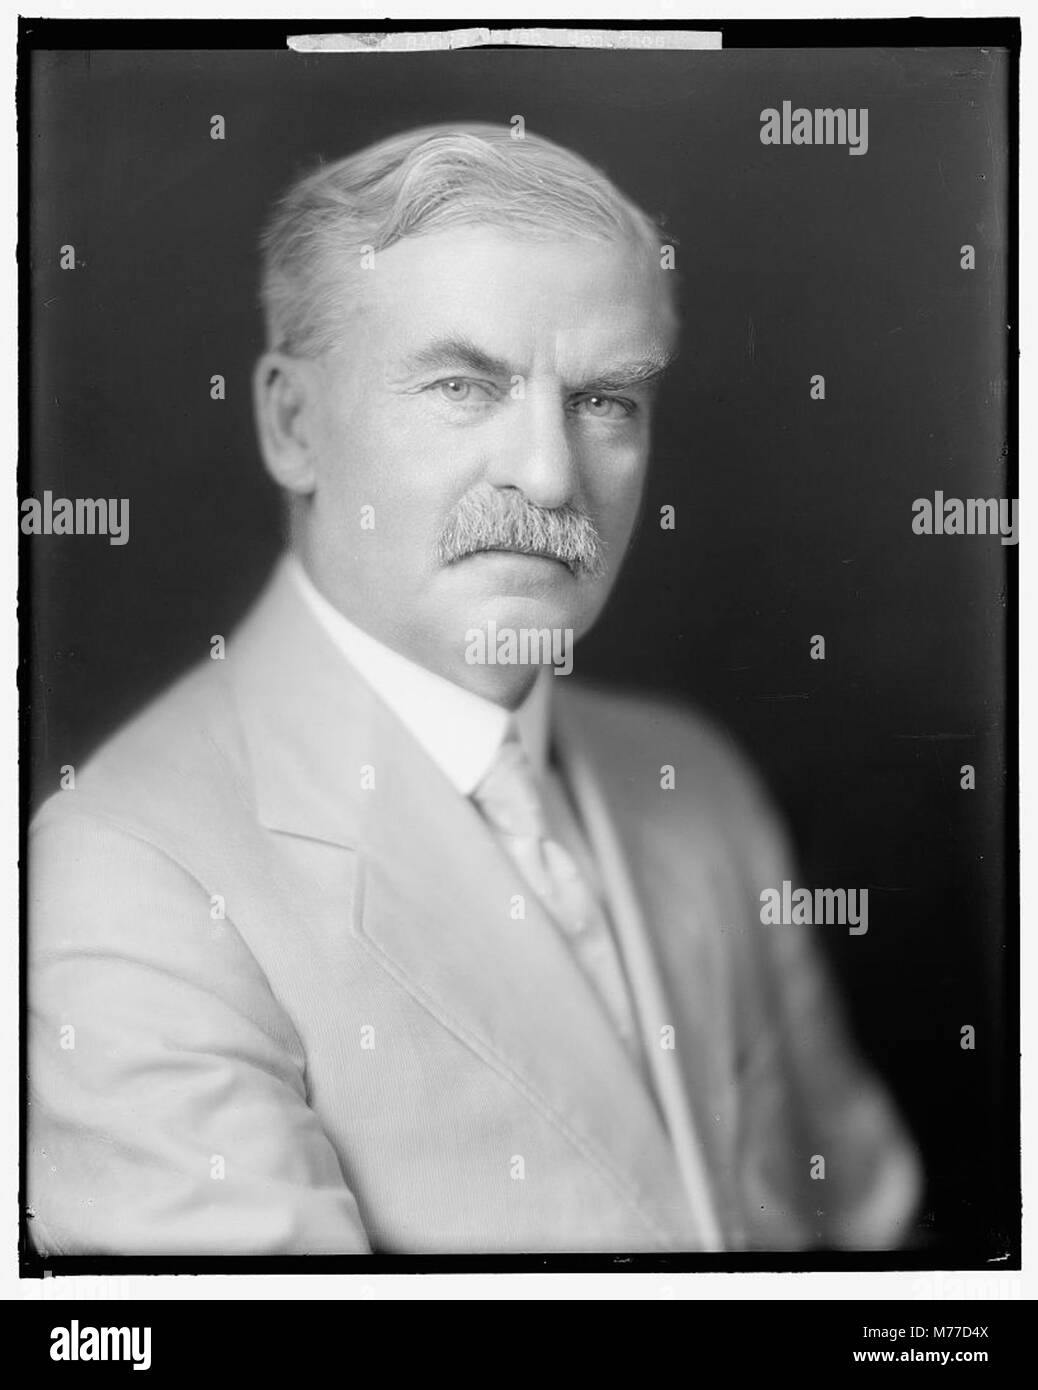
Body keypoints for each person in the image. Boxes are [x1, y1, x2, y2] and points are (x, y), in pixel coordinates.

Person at [27, 123, 921, 1255]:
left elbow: (878, 1244)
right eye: (463, 384)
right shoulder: (123, 878)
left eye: (606, 401)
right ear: (291, 423)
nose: (549, 471)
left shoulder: (697, 785)